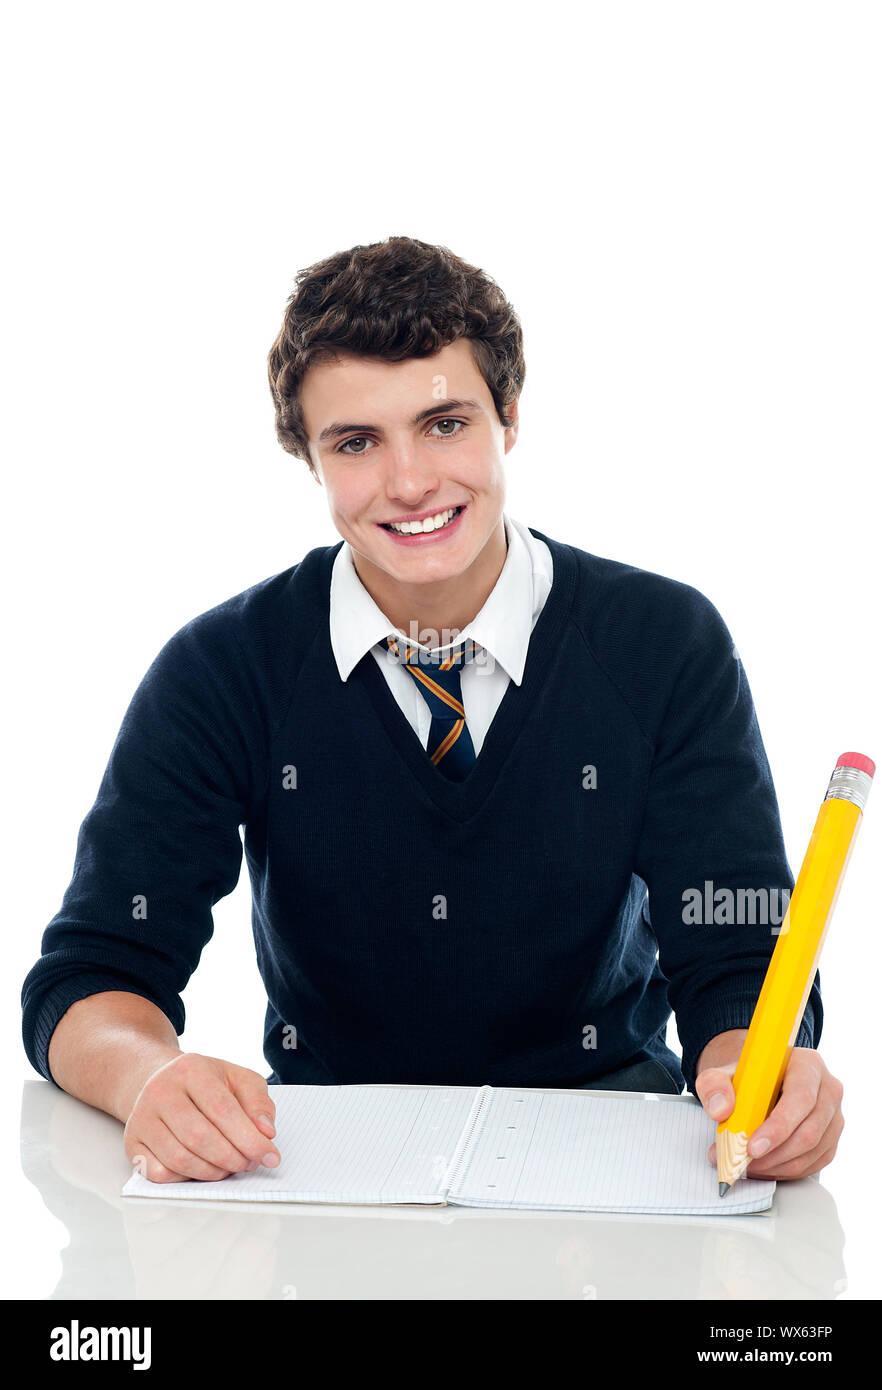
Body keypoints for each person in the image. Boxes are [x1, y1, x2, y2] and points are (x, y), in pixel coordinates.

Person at [21, 235, 843, 1186]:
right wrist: (149, 1077)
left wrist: (755, 1073)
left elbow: (739, 951)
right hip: (318, 1159)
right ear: (309, 459)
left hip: (612, 1146)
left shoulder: (662, 642)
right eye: (356, 443)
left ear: (509, 418)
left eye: (445, 424)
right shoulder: (224, 668)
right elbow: (92, 974)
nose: (410, 483)